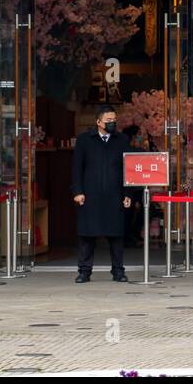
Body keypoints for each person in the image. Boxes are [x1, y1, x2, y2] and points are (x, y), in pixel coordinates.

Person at [71, 105, 134, 283]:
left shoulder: (122, 140)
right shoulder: (84, 140)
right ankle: (84, 271)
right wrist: (77, 191)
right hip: (89, 195)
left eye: (114, 120)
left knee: (116, 235)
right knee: (87, 235)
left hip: (115, 194)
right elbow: (77, 168)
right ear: (98, 122)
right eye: (108, 121)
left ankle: (118, 271)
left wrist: (128, 193)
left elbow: (127, 169)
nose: (112, 123)